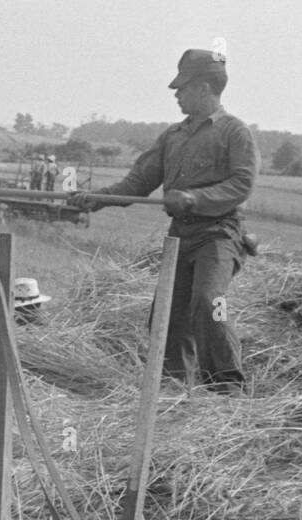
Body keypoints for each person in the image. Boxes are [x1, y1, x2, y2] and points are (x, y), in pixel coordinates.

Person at [73, 49, 259, 391]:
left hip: (219, 235)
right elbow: (136, 184)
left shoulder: (235, 132)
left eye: (182, 87)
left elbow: (241, 184)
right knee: (167, 317)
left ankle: (228, 387)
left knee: (210, 302)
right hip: (180, 238)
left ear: (203, 88)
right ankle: (174, 391)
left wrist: (194, 198)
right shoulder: (172, 137)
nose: (176, 94)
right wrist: (94, 199)